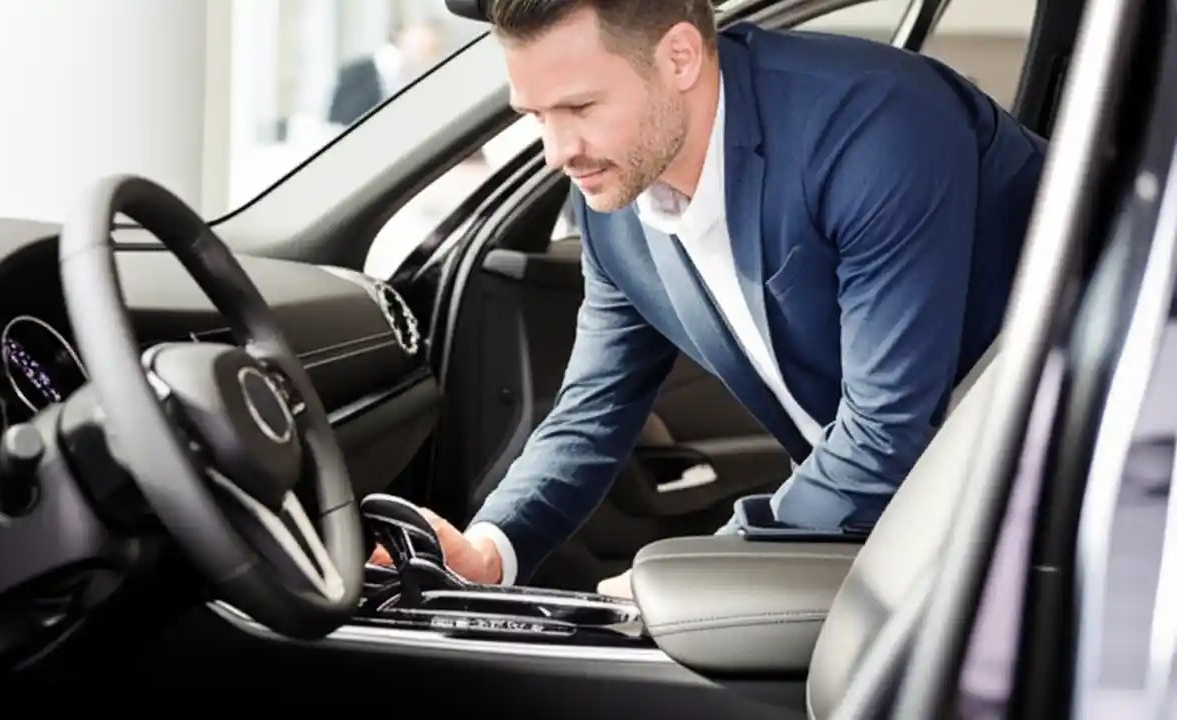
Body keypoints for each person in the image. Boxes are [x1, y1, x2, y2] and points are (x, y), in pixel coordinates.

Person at [371, 0, 1046, 595]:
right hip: (897, 519)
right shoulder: (615, 199)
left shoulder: (873, 128)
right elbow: (593, 408)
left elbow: (887, 430)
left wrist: (710, 568)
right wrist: (488, 552)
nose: (557, 151)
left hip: (1046, 488)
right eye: (536, 116)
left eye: (579, 106)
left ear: (681, 57)